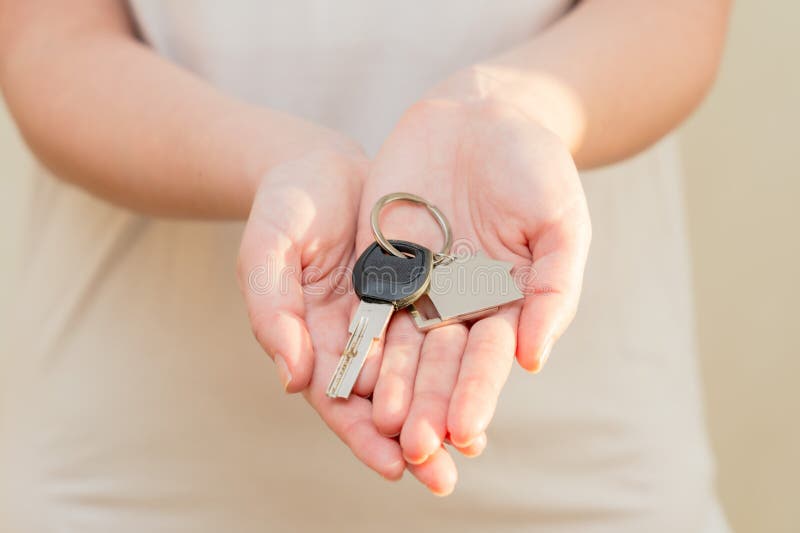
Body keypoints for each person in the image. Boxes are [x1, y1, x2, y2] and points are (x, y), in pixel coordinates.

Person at [0, 1, 732, 531]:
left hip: (581, 447)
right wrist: (274, 161)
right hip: (127, 455)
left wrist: (511, 107)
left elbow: (674, 18)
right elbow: (50, 44)